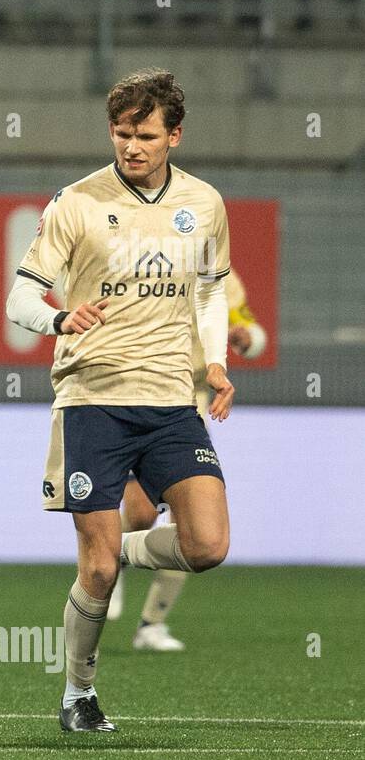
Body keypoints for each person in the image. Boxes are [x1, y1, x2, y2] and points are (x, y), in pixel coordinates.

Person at [5, 68, 234, 732]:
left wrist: (214, 363)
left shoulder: (204, 204)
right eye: (121, 133)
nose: (131, 146)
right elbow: (21, 293)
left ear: (175, 137)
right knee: (98, 574)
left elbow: (211, 289)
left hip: (170, 402)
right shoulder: (75, 203)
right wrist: (56, 319)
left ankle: (110, 552)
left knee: (208, 544)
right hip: (93, 398)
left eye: (146, 135)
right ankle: (78, 695)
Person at [107, 270, 268, 650]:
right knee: (143, 514)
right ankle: (111, 556)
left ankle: (151, 624)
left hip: (189, 406)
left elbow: (251, 329)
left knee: (190, 526)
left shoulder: (225, 280)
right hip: (143, 395)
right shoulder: (149, 263)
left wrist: (248, 339)